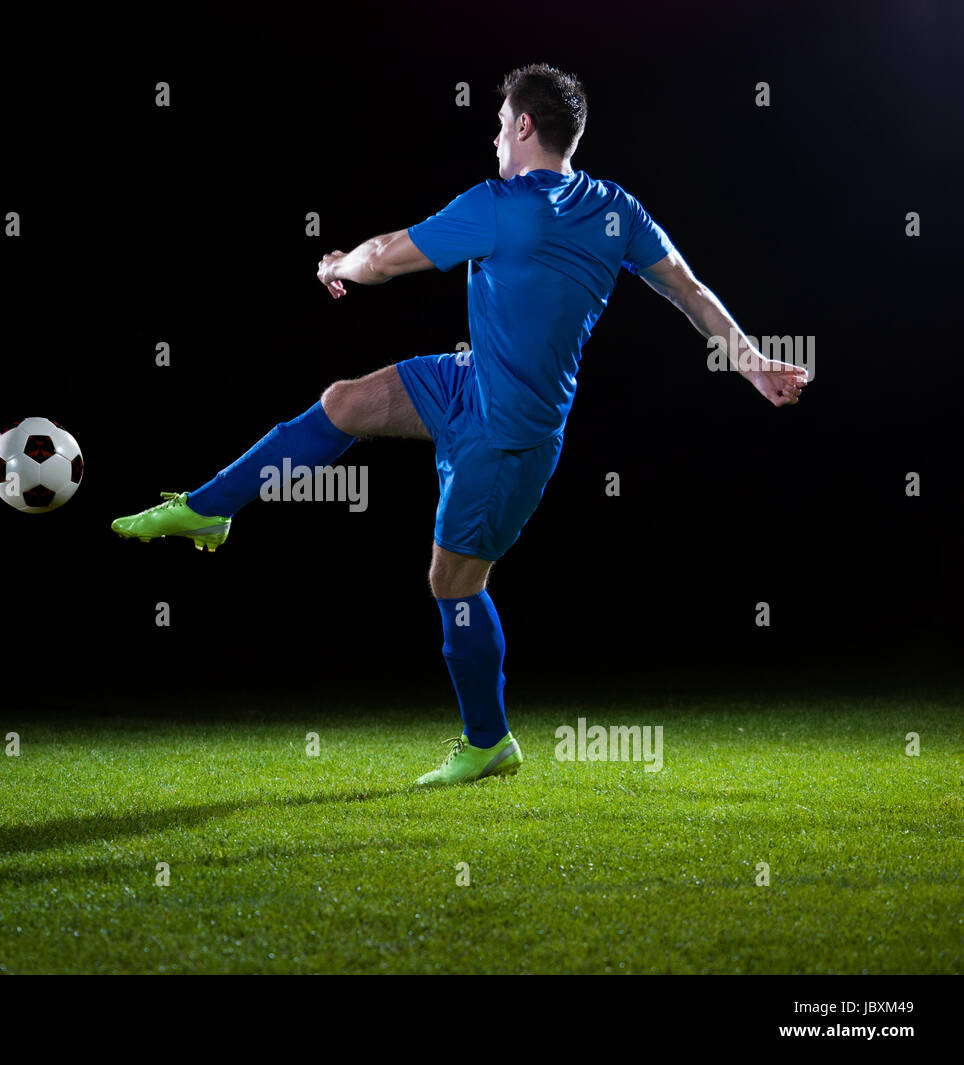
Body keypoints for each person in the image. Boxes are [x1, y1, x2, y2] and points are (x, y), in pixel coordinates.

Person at [112, 63, 809, 786]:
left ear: (525, 127)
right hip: (467, 382)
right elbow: (689, 290)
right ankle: (207, 509)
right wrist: (752, 362)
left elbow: (383, 258)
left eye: (501, 123)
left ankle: (488, 741)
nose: (495, 138)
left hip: (509, 436)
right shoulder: (616, 209)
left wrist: (338, 264)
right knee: (344, 401)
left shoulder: (503, 203)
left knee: (452, 584)